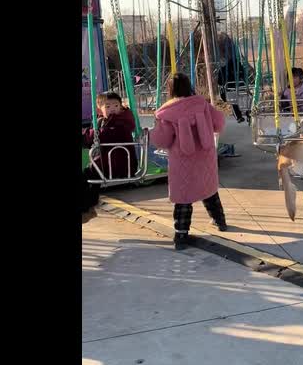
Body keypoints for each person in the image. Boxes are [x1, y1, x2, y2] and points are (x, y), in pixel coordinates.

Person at [149, 73, 228, 250]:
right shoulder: (202, 105)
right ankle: (220, 221)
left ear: (170, 89)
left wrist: (153, 131)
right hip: (205, 157)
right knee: (209, 190)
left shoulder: (166, 113)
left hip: (182, 160)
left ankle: (181, 235)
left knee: (183, 197)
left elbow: (163, 140)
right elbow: (219, 123)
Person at [82, 92, 138, 210]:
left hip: (119, 165)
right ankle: (90, 201)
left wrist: (88, 135)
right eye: (108, 106)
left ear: (121, 107)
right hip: (109, 163)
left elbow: (101, 135)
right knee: (90, 175)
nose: (112, 109)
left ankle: (88, 202)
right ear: (99, 110)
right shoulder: (105, 121)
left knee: (88, 174)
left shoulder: (120, 122)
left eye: (116, 106)